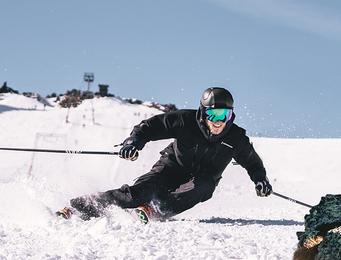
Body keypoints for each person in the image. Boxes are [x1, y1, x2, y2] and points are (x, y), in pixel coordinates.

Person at [58, 87, 273, 222]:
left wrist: (260, 179)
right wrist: (134, 142)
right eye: (213, 113)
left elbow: (252, 162)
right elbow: (149, 127)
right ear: (203, 112)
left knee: (206, 184)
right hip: (170, 168)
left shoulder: (236, 138)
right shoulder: (186, 121)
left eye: (224, 114)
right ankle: (78, 208)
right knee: (138, 193)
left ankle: (156, 209)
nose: (218, 120)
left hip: (201, 181)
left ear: (231, 115)